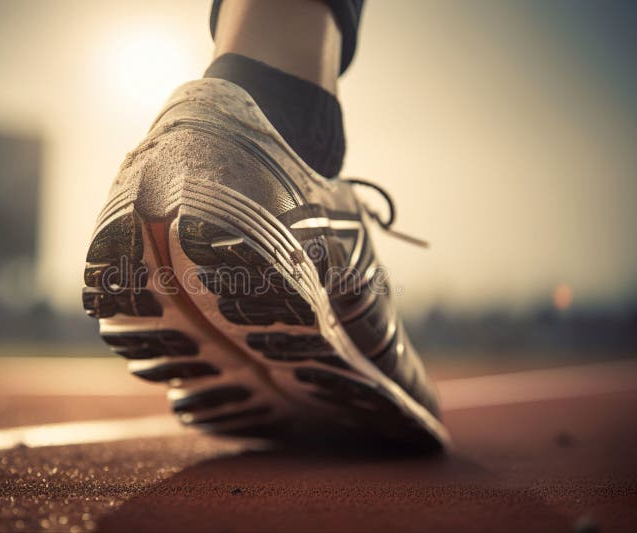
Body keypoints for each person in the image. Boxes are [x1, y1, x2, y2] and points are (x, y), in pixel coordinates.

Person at [82, 0, 448, 450]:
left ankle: (236, 118)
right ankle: (299, 168)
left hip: (217, 142)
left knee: (265, 87)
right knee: (295, 125)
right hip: (280, 173)